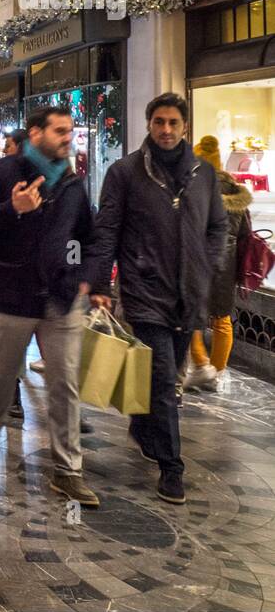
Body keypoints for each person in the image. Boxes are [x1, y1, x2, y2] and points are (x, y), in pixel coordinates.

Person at [88, 93, 227, 505]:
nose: (166, 130)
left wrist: (206, 264)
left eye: (173, 123)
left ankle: (145, 426)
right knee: (166, 379)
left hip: (190, 293)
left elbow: (217, 226)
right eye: (158, 122)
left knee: (167, 376)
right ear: (149, 124)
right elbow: (107, 230)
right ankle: (172, 468)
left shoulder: (203, 174)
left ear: (185, 126)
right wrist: (100, 285)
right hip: (145, 290)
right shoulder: (125, 172)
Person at [0, 105, 100, 508]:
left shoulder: (74, 185)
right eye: (60, 130)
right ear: (35, 132)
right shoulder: (0, 173)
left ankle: (68, 471)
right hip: (13, 292)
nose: (67, 138)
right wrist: (12, 209)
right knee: (5, 370)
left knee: (65, 382)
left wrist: (88, 279)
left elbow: (89, 237)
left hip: (62, 298)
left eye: (70, 131)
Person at [182, 135, 251, 392]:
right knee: (222, 320)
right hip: (227, 265)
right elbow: (245, 233)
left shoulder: (195, 188)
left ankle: (201, 365)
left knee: (190, 315)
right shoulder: (236, 193)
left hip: (199, 261)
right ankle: (217, 371)